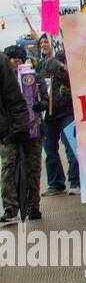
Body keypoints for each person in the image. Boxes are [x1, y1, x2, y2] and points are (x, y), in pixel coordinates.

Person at [1, 47, 42, 225]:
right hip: (10, 130)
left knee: (33, 168)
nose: (14, 62)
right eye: (11, 58)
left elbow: (14, 99)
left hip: (30, 128)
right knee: (8, 167)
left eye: (17, 58)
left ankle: (33, 205)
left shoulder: (32, 76)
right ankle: (10, 208)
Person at [33, 35, 79, 195]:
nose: (44, 44)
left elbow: (71, 80)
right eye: (42, 42)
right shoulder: (40, 66)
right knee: (50, 149)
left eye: (47, 41)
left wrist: (58, 67)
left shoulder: (65, 60)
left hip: (66, 111)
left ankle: (76, 181)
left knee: (72, 147)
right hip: (49, 115)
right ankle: (56, 183)